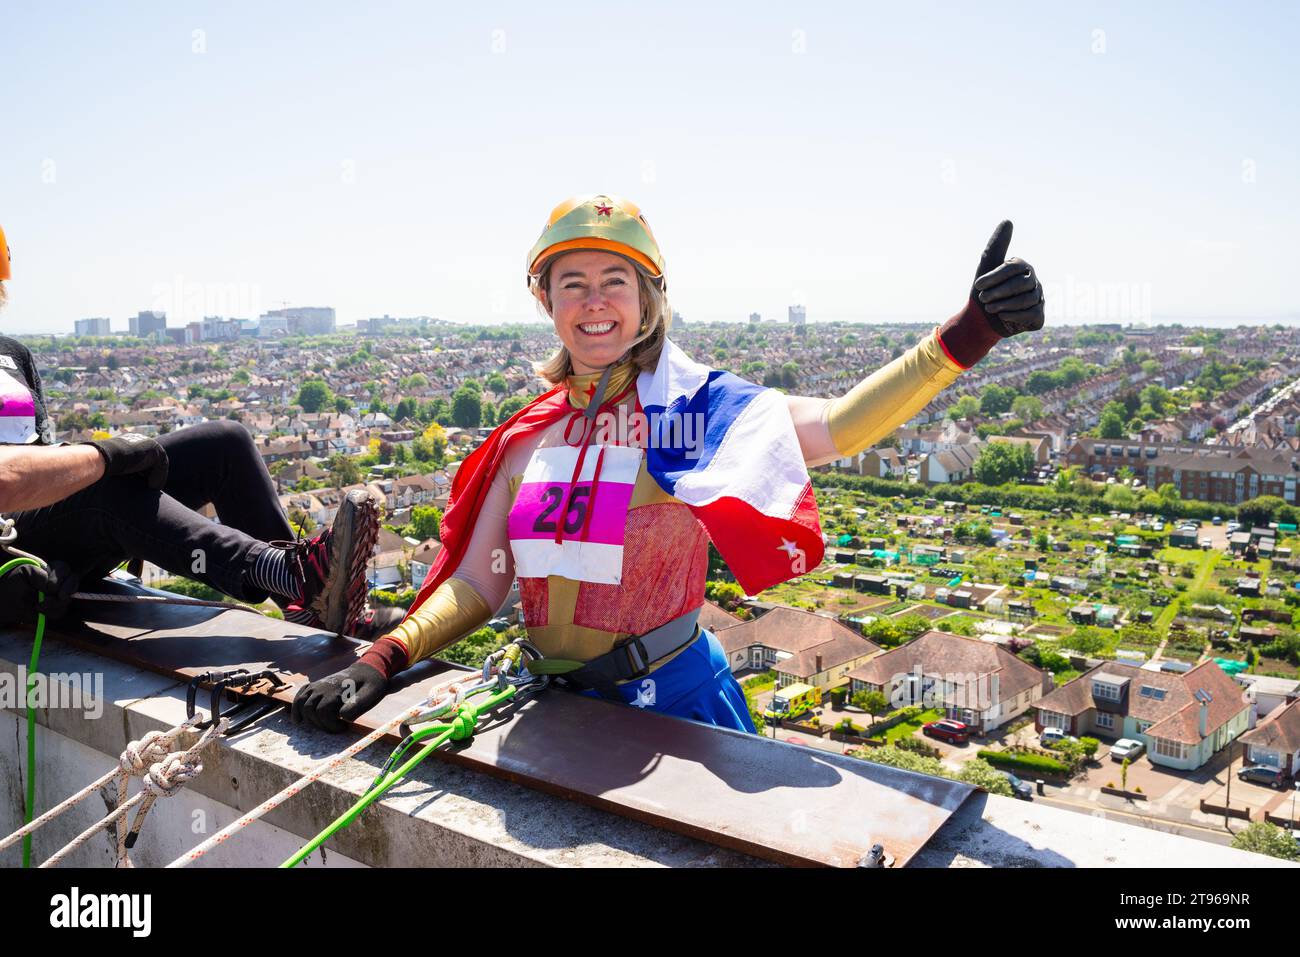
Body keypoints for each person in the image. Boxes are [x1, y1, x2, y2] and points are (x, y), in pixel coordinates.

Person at [293, 194, 1045, 733]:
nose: (594, 301)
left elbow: (840, 426)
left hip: (679, 704)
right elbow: (481, 581)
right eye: (572, 283)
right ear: (546, 301)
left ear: (649, 298)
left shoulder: (692, 415)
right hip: (554, 707)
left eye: (614, 281)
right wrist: (386, 658)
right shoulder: (528, 437)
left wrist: (966, 335)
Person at [0, 223, 397, 638]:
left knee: (224, 444)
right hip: (9, 558)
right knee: (101, 484)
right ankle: (294, 575)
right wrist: (107, 458)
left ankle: (305, 605)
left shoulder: (12, 354)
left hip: (41, 539)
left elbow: (44, 455)